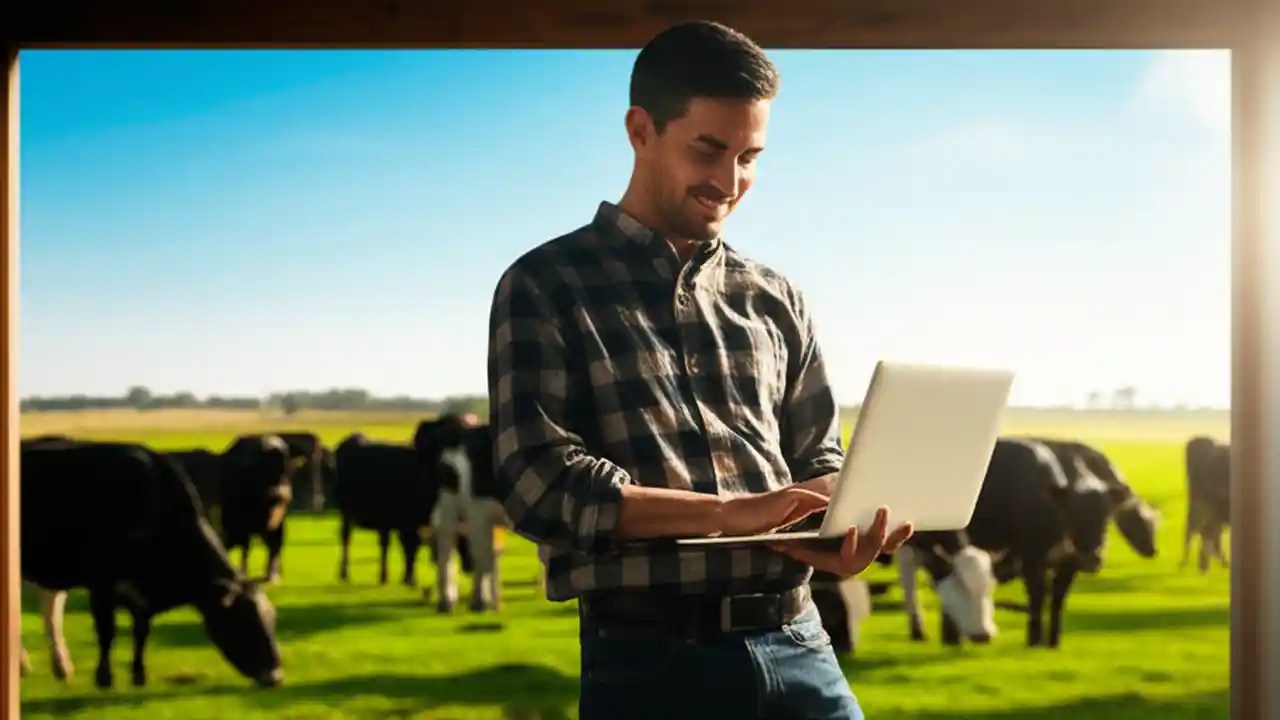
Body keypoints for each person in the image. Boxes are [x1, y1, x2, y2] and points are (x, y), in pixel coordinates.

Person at [486, 19, 914, 720]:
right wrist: (729, 515)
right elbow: (540, 483)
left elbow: (817, 453)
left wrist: (834, 523)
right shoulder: (545, 284)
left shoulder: (777, 297)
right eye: (708, 150)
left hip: (801, 640)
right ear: (640, 129)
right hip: (651, 663)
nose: (730, 181)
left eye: (750, 156)